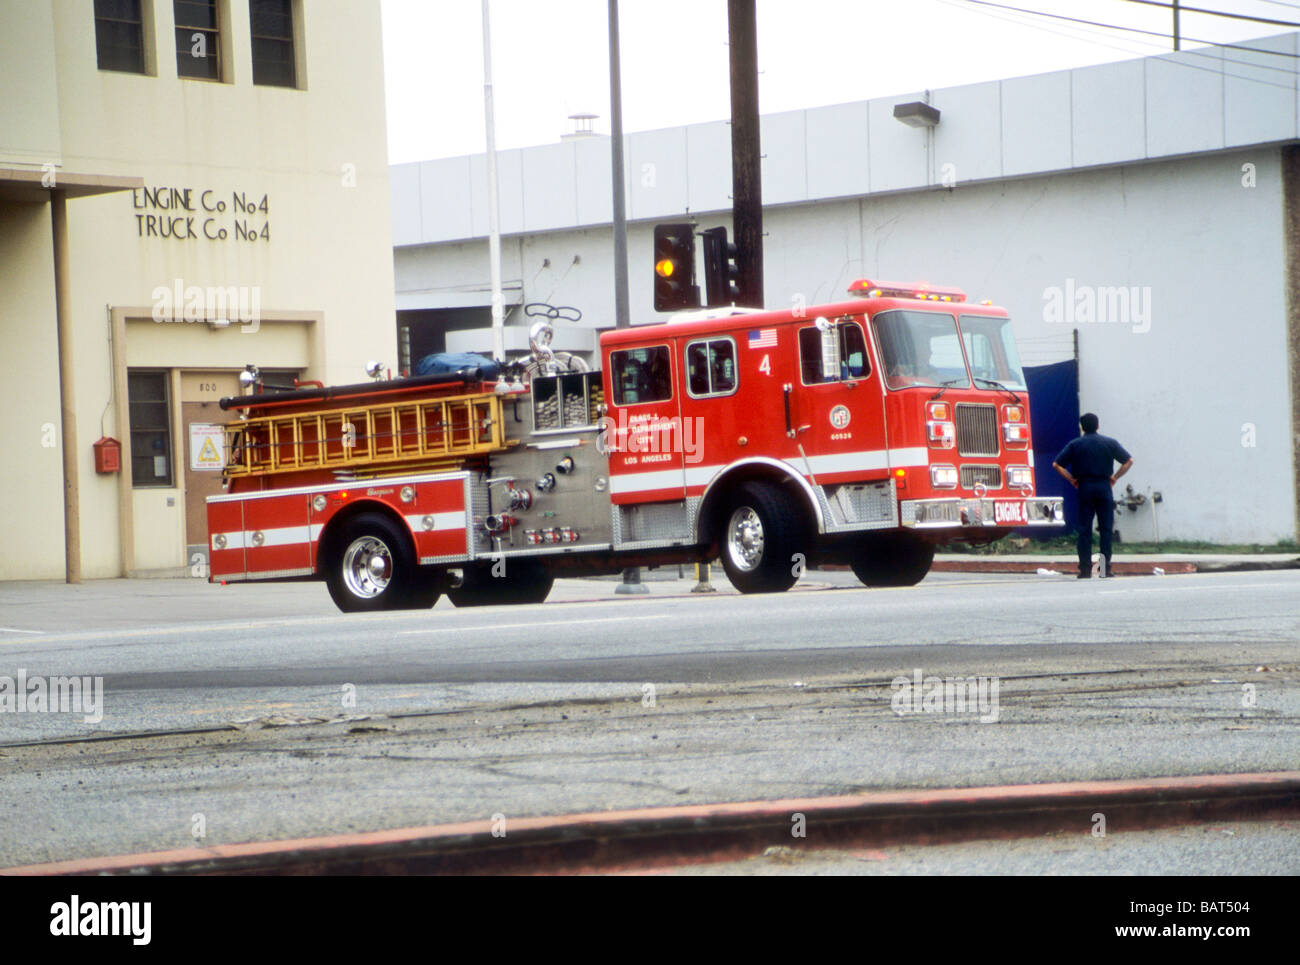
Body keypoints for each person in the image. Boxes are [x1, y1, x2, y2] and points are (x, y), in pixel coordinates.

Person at [1052, 413, 1134, 579]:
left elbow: (1056, 464)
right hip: (1104, 487)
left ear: (1082, 427)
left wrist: (1072, 479)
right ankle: (1104, 570)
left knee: (1084, 530)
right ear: (1098, 425)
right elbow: (1128, 461)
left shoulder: (1075, 444)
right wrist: (1115, 477)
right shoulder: (1109, 443)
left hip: (1085, 487)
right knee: (1105, 530)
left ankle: (1084, 570)